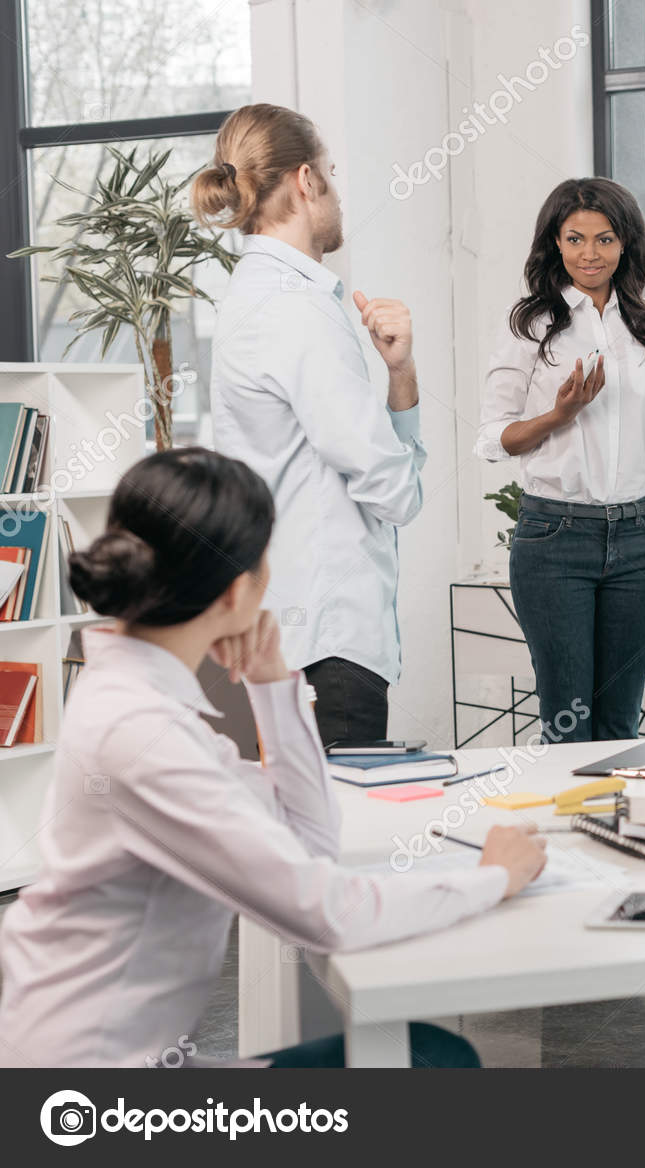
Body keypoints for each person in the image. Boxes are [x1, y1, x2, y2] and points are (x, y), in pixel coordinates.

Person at [0, 449, 547, 1068]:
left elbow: (311, 841)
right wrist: (493, 878)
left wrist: (272, 681)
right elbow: (327, 914)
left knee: (428, 1053)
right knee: (435, 1062)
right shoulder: (140, 732)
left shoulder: (137, 699)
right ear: (238, 592)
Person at [194, 103, 427, 747]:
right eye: (331, 173)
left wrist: (398, 373)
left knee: (299, 810)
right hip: (329, 642)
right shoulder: (298, 309)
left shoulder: (252, 296)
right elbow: (394, 493)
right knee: (343, 813)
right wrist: (405, 437)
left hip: (292, 636)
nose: (337, 192)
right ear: (305, 180)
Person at [475, 177, 645, 743]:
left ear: (625, 245)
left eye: (605, 239)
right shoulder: (530, 325)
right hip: (554, 539)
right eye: (575, 239)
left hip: (640, 539)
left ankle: (617, 807)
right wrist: (558, 414)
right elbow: (494, 437)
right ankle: (566, 805)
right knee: (567, 725)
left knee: (620, 724)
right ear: (555, 242)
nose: (589, 254)